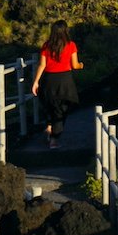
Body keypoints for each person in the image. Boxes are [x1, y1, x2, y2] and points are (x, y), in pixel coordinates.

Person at [31, 20, 83, 149]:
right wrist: (81, 65)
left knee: (50, 105)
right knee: (62, 110)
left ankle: (49, 125)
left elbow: (42, 65)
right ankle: (54, 139)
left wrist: (35, 82)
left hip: (48, 80)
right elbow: (75, 65)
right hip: (64, 80)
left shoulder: (46, 46)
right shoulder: (71, 45)